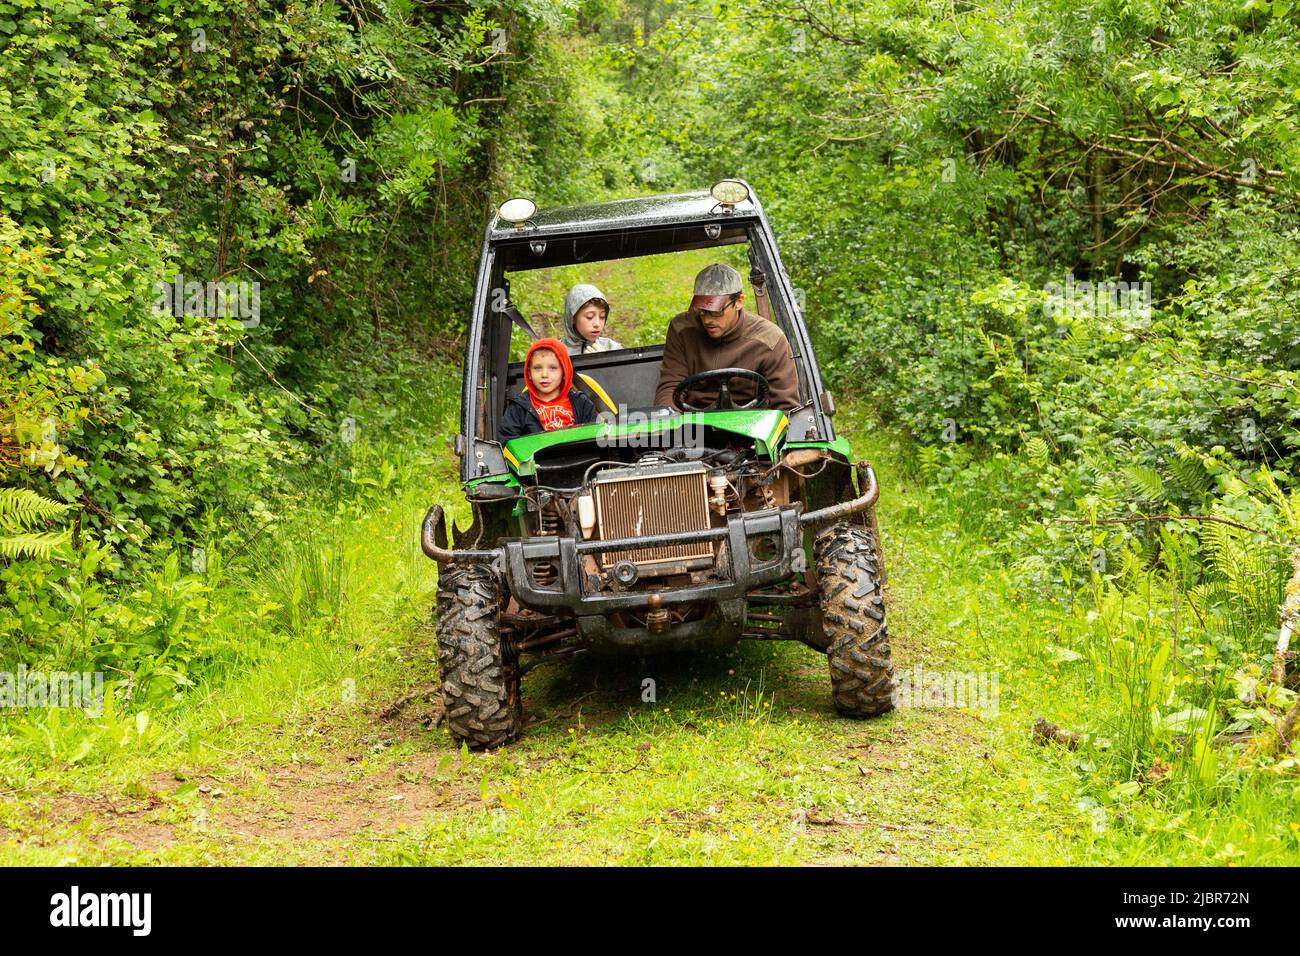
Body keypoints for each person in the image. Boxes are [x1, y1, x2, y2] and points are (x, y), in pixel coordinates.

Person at [654, 263, 801, 411]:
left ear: (739, 302)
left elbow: (785, 406)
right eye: (702, 311)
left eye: (716, 311)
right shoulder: (682, 329)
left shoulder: (769, 339)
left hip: (751, 425)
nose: (707, 320)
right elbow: (670, 386)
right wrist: (670, 422)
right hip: (694, 422)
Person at [499, 337, 598, 443]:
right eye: (537, 368)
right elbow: (507, 442)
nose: (544, 375)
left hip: (579, 459)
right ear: (529, 373)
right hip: (535, 459)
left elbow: (595, 437)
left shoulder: (581, 404)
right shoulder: (519, 407)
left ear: (564, 372)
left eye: (552, 368)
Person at [561, 283, 622, 355]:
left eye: (602, 317)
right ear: (573, 317)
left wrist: (606, 359)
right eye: (589, 317)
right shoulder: (555, 352)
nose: (597, 324)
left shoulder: (613, 348)